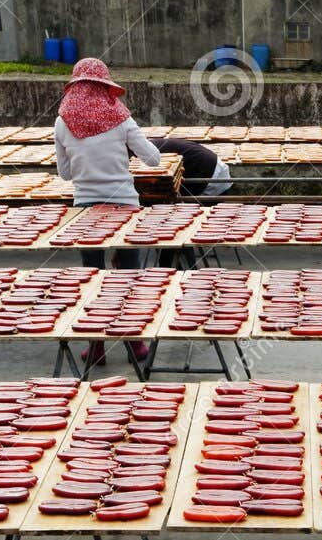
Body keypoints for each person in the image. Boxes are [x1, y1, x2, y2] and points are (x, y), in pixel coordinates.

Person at [54, 57, 163, 368]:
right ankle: (134, 342)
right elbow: (154, 160)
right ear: (105, 87)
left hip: (85, 209)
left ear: (75, 87)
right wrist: (123, 149)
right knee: (128, 275)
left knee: (93, 277)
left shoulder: (62, 122)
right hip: (124, 204)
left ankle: (96, 345)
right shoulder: (121, 118)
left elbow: (64, 174)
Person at [153, 136, 232, 270]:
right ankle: (174, 267)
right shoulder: (143, 146)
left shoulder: (139, 152)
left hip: (211, 175)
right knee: (178, 221)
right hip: (205, 169)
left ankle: (182, 270)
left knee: (182, 223)